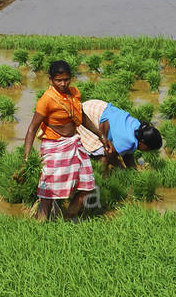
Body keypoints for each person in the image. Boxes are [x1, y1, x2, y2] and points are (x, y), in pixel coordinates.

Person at [16, 60, 111, 221]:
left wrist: (101, 136)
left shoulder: (74, 93)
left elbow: (82, 118)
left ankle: (68, 217)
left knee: (87, 185)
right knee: (48, 193)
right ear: (50, 80)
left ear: (71, 78)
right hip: (54, 147)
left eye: (66, 79)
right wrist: (26, 159)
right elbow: (32, 128)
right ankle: (40, 226)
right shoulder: (46, 100)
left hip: (74, 143)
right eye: (58, 80)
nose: (63, 84)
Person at [77, 99, 163, 170]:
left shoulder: (138, 128)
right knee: (103, 159)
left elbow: (128, 155)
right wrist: (123, 170)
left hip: (99, 106)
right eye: (147, 149)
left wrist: (133, 171)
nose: (146, 151)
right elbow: (110, 154)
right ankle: (103, 182)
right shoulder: (127, 140)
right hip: (89, 115)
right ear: (142, 142)